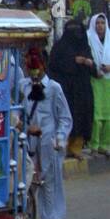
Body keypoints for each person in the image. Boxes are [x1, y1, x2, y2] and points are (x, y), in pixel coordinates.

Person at [21, 47, 71, 219]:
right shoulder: (23, 86)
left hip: (48, 142)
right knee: (27, 180)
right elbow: (19, 112)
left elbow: (65, 117)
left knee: (48, 181)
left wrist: (60, 138)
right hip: (28, 140)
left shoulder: (54, 88)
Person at [47, 20, 96, 158]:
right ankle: (64, 145)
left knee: (83, 115)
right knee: (67, 116)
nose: (76, 35)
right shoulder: (60, 47)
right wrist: (73, 61)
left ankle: (76, 148)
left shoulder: (85, 47)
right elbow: (54, 66)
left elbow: (94, 69)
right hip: (66, 89)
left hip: (83, 88)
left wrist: (89, 62)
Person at [91, 13, 110, 155]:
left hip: (108, 81)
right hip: (94, 80)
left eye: (103, 23)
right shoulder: (88, 38)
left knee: (108, 115)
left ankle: (105, 144)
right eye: (97, 23)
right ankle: (94, 144)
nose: (100, 26)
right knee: (96, 114)